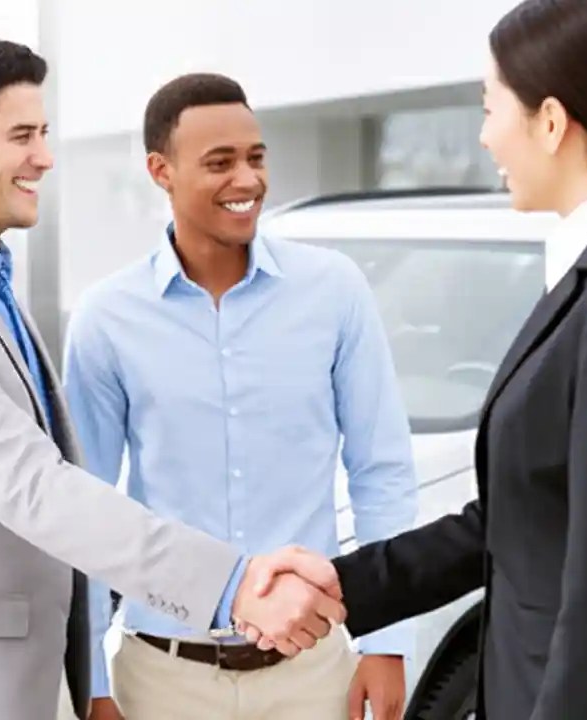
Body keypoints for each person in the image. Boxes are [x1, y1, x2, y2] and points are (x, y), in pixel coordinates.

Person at [249, 1, 587, 717]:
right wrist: (347, 584)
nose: (485, 135)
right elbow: (520, 518)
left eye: (490, 107)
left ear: (551, 122)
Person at [0, 35, 343, 720]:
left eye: (44, 133)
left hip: (24, 679)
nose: (45, 156)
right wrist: (232, 583)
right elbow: (39, 487)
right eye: (22, 136)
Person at [63, 72, 419, 720]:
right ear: (161, 171)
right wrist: (92, 679)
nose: (247, 180)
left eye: (256, 157)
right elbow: (85, 510)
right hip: (163, 680)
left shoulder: (334, 291)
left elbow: (382, 472)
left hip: (312, 673)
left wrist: (386, 642)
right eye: (220, 162)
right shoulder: (106, 318)